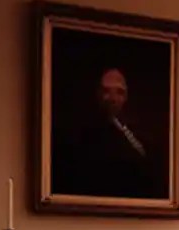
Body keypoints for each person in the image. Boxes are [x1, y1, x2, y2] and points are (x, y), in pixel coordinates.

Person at [53, 67, 167, 199]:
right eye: (106, 91)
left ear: (126, 97)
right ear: (96, 93)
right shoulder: (77, 136)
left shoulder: (141, 135)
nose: (113, 99)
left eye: (119, 92)